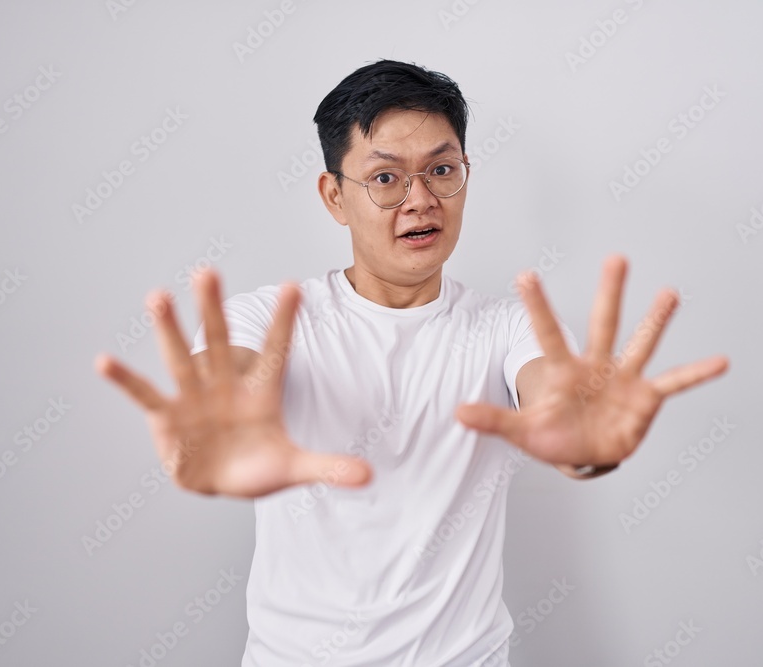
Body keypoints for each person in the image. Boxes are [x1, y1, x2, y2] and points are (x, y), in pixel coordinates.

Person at [95, 59, 729, 666]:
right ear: (334, 196)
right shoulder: (270, 318)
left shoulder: (508, 326)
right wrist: (205, 439)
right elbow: (221, 385)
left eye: (441, 170)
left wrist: (587, 445)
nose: (420, 199)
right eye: (385, 177)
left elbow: (559, 409)